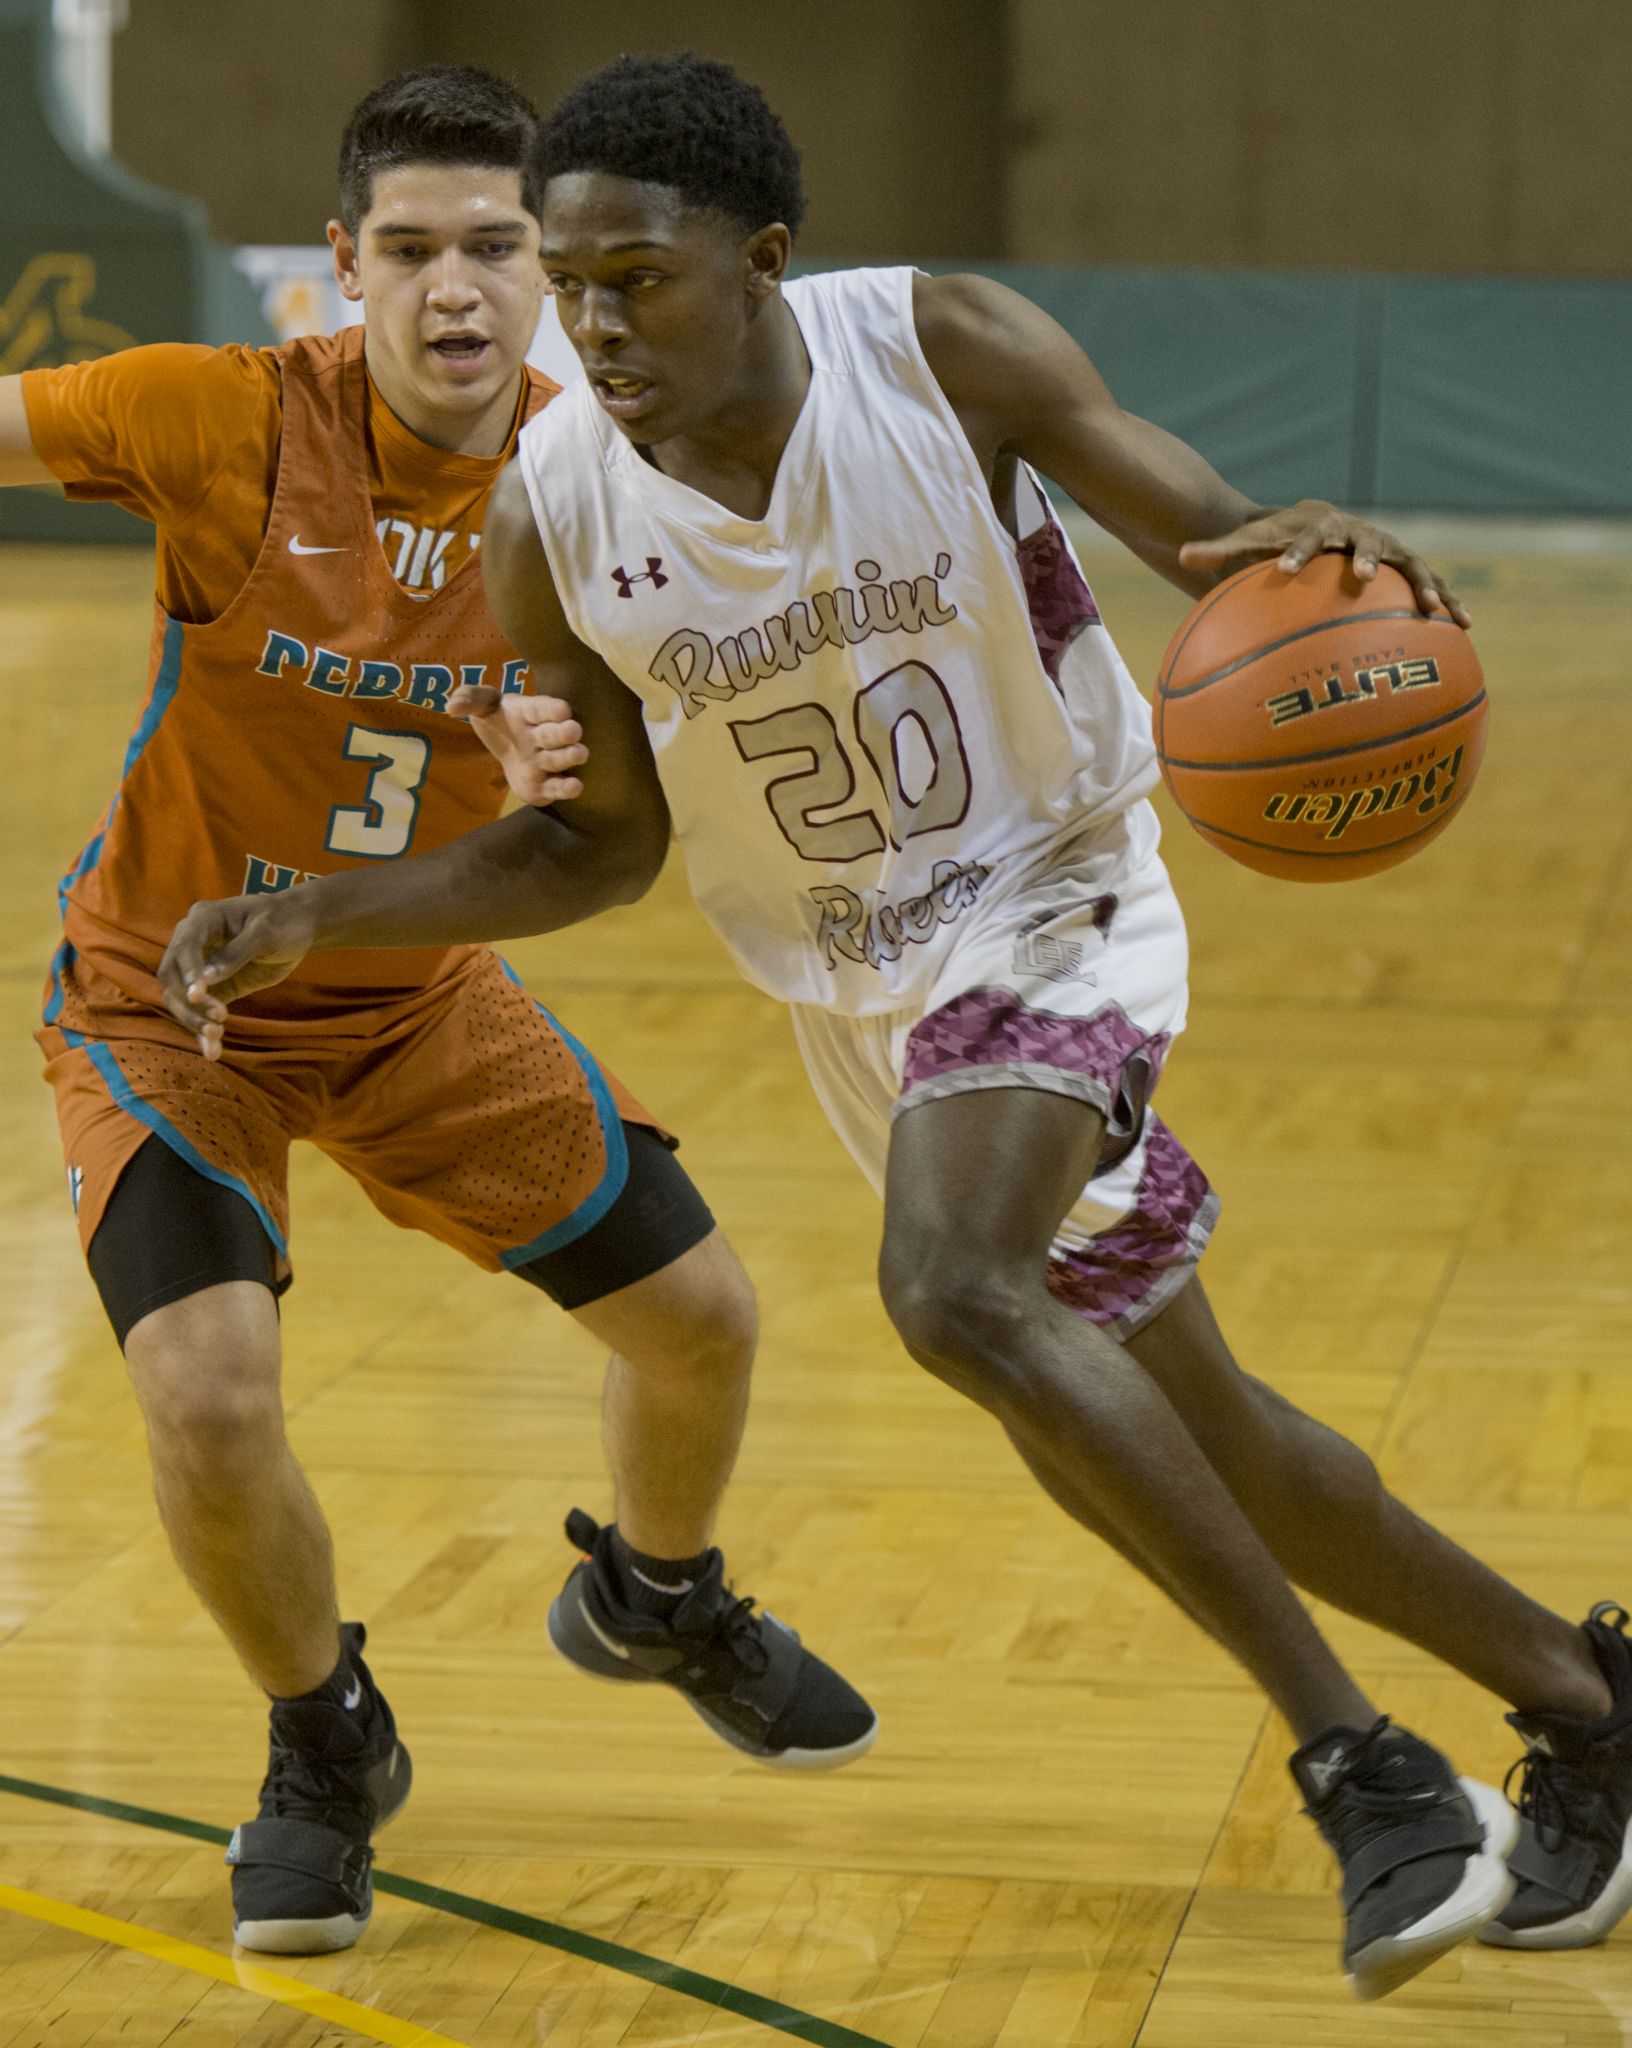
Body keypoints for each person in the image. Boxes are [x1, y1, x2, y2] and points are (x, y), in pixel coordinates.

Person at [155, 54, 1632, 1997]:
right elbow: (595, 847)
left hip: (1059, 893)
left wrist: (1301, 559)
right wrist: (317, 914)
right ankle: (1588, 1701)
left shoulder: (941, 348)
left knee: (951, 1289)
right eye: (571, 287)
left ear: (763, 257)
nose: (596, 326)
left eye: (639, 280)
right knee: (1198, 1431)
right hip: (863, 997)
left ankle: (1370, 1775)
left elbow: (1204, 533)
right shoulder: (554, 516)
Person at [0, 63, 877, 1961]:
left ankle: (658, 1595)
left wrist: (585, 756)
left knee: (706, 1326)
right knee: (206, 1394)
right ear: (344, 263)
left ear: (547, 266)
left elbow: (647, 797)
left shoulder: (601, 487)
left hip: (413, 1005)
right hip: (170, 1003)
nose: (455, 287)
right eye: (410, 249)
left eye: (494, 246)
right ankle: (324, 1741)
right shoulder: (218, 414)